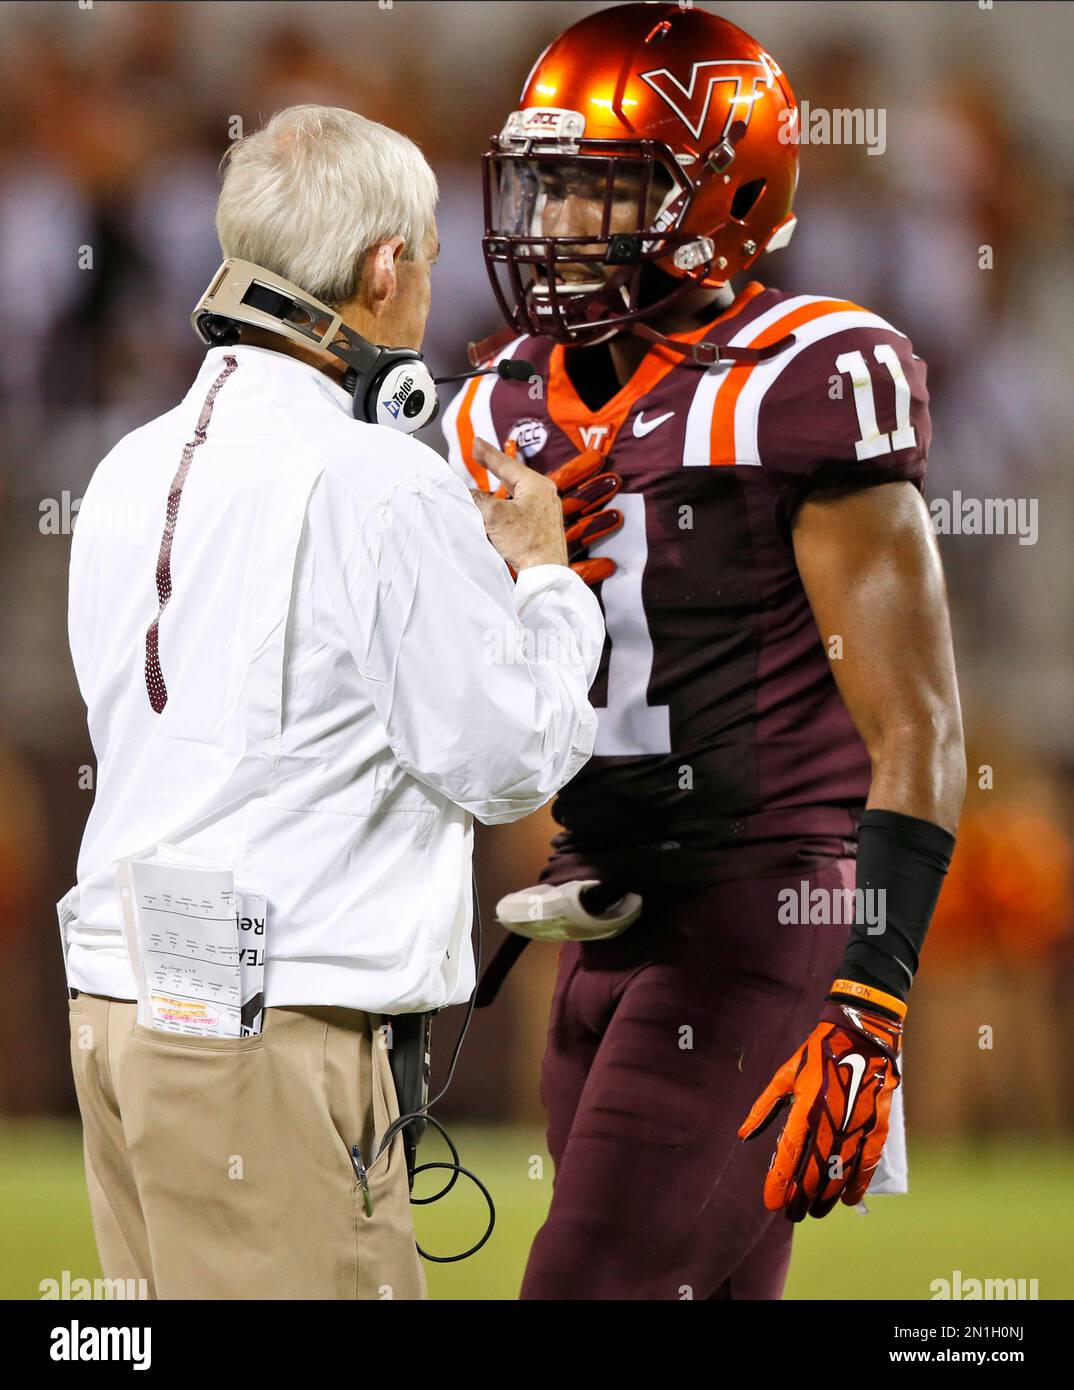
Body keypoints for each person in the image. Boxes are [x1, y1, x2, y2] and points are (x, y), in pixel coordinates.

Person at [442, 4, 965, 1300]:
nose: (553, 225)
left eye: (596, 192)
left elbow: (919, 729)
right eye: (545, 186)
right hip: (592, 918)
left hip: (758, 922)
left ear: (715, 193)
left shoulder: (801, 375)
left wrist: (872, 996)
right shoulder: (499, 395)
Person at [59, 104, 605, 1300]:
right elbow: (509, 756)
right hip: (272, 1033)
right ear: (382, 266)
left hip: (116, 1006)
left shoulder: (122, 465)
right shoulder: (375, 481)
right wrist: (551, 583)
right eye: (428, 262)